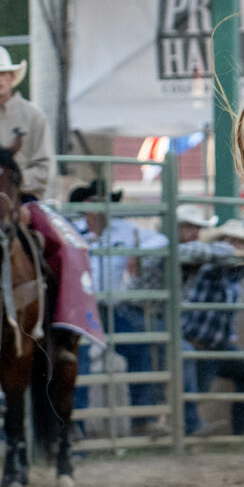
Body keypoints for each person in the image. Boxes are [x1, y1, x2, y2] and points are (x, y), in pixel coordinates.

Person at [70, 179, 169, 436]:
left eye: (105, 201)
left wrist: (136, 251)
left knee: (141, 348)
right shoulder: (72, 230)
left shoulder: (124, 229)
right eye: (95, 201)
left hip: (111, 308)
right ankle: (75, 424)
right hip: (81, 308)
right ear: (84, 204)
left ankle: (142, 419)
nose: (101, 206)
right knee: (76, 360)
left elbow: (161, 241)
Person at [179, 216, 244, 438]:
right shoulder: (211, 267)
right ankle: (185, 430)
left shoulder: (233, 273)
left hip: (217, 346)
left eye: (239, 241)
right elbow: (227, 254)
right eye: (229, 239)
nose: (233, 245)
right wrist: (238, 251)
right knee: (195, 390)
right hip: (198, 343)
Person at [0, 45, 52, 199]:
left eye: (2, 73)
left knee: (43, 223)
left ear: (11, 78)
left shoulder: (34, 116)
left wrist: (12, 181)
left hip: (23, 196)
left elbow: (45, 169)